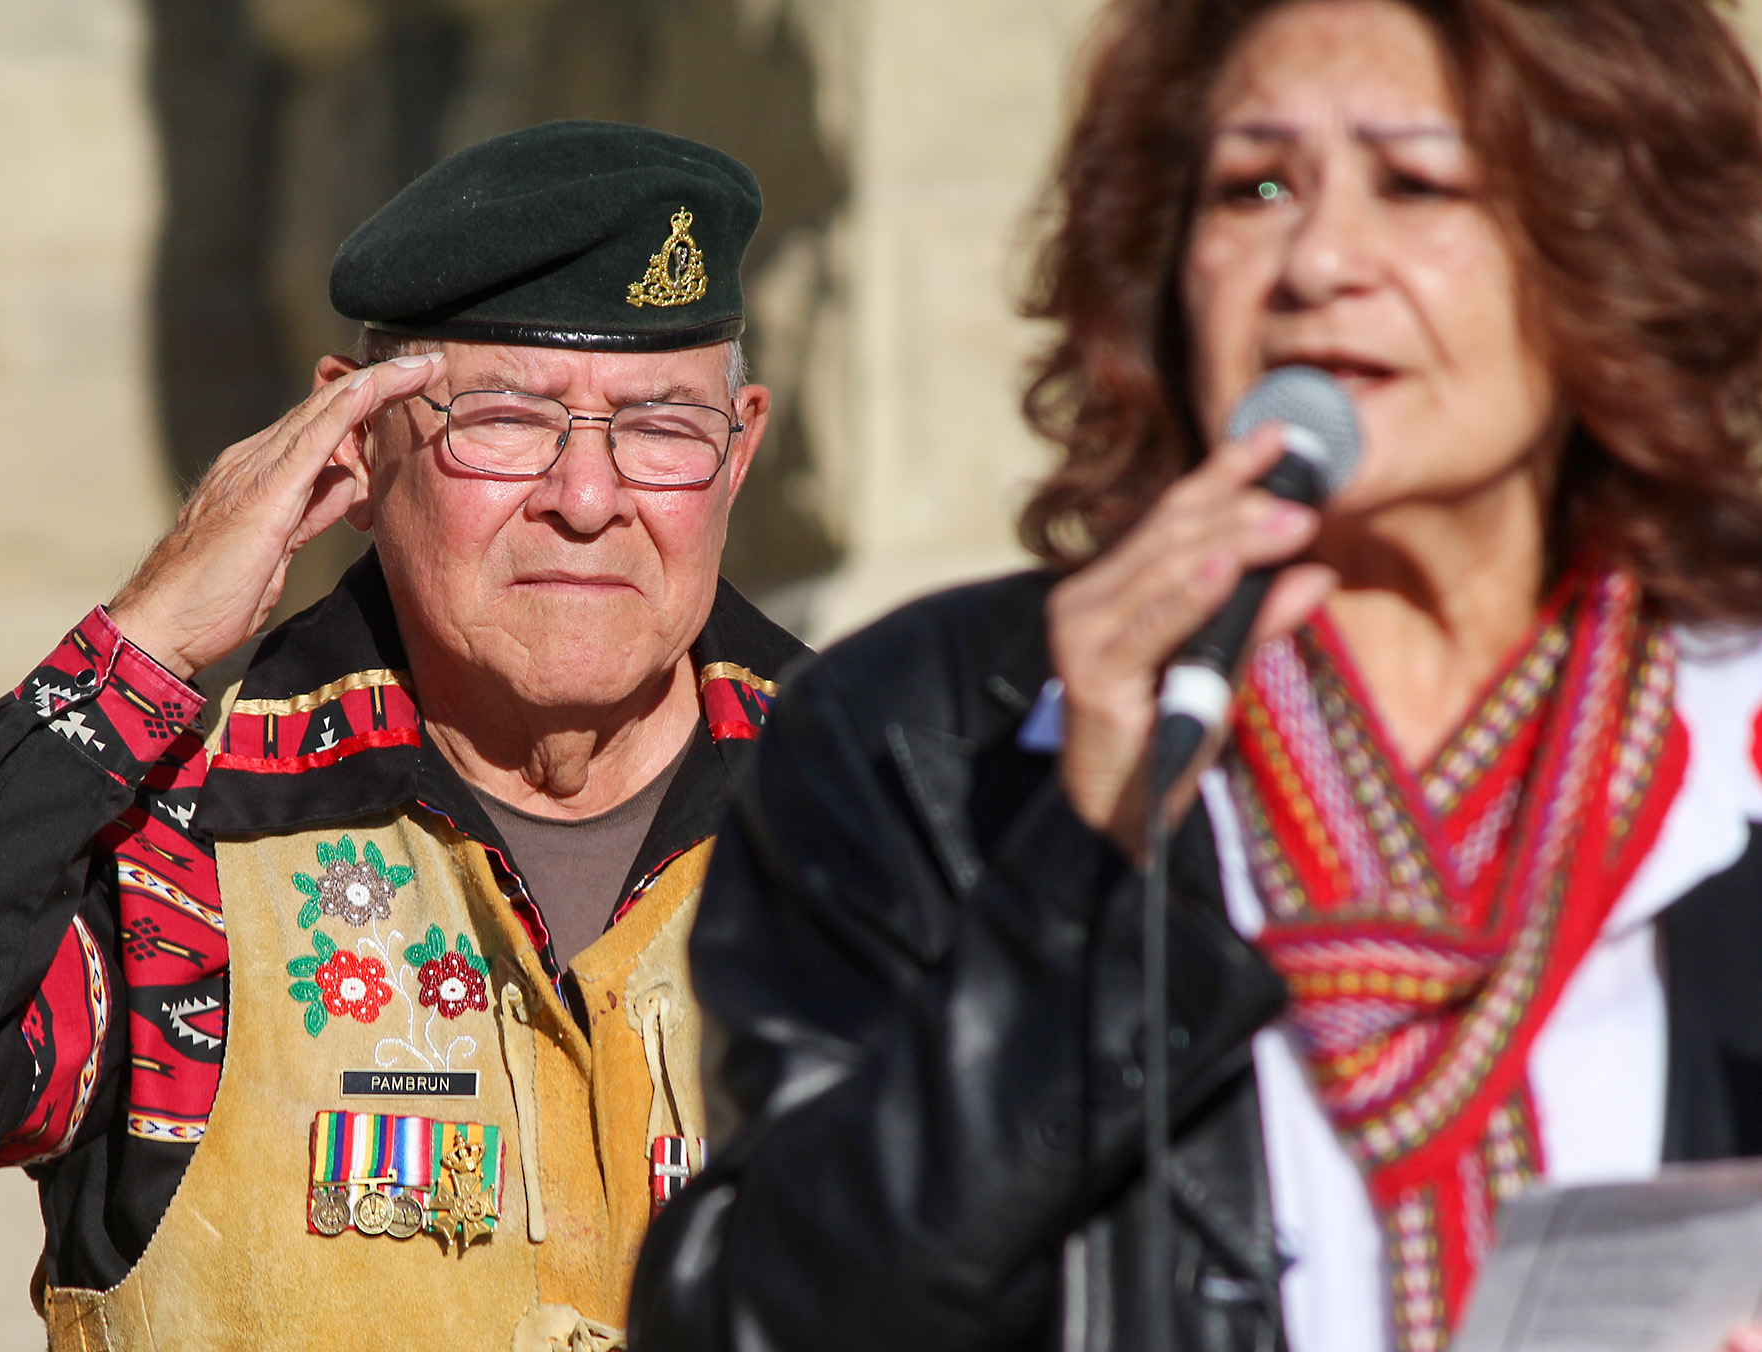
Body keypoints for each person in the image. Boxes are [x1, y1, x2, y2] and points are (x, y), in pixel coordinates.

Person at [628, 3, 1762, 1350]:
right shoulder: (931, 737)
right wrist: (1081, 873)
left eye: (1418, 183)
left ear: (1609, 249)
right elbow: (760, 1321)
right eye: (1254, 188)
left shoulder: (1727, 725)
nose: (1321, 259)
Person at [0, 120, 804, 1352]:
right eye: (505, 418)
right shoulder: (174, 849)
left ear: (741, 447)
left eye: (660, 425)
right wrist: (144, 643)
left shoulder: (910, 823)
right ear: (354, 432)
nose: (589, 496)